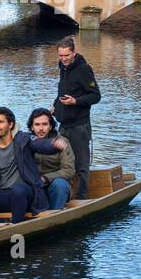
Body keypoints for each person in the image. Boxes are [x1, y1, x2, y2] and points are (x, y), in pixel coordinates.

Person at [0, 106, 68, 223]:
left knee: (18, 190)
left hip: (26, 195)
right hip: (2, 194)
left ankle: (16, 227)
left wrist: (53, 144)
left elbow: (40, 144)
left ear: (11, 124)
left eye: (1, 122)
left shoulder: (23, 139)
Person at [52, 35, 100, 200]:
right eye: (61, 55)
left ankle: (81, 199)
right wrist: (54, 106)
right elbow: (63, 91)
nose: (63, 59)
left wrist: (76, 101)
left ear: (74, 53)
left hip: (79, 127)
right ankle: (65, 196)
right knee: (62, 164)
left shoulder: (83, 69)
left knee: (80, 165)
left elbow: (95, 96)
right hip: (63, 125)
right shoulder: (63, 68)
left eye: (66, 55)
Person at [27, 107, 75, 210]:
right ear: (31, 127)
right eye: (37, 125)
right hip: (34, 184)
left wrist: (45, 178)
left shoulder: (62, 142)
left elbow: (69, 170)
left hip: (55, 184)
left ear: (50, 126)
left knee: (60, 185)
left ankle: (54, 217)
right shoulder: (25, 142)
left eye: (44, 124)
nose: (41, 128)